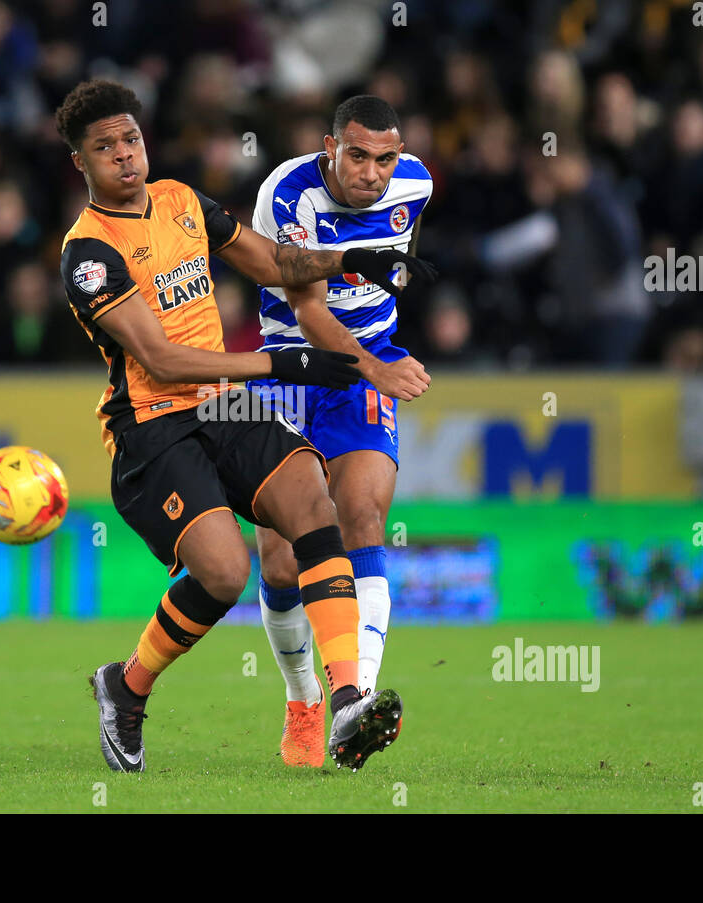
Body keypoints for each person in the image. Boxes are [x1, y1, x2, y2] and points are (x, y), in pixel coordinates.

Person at [51, 80, 436, 773]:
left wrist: (352, 260)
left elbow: (274, 262)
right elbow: (160, 359)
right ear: (81, 162)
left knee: (313, 505)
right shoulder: (87, 255)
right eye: (104, 148)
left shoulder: (181, 201)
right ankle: (127, 684)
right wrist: (280, 359)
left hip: (223, 402)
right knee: (227, 573)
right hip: (153, 426)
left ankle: (347, 696)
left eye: (130, 139)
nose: (124, 157)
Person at [243, 95, 434, 768]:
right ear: (330, 148)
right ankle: (304, 701)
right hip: (289, 369)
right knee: (278, 559)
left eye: (385, 158)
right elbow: (309, 308)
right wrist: (378, 368)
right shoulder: (287, 193)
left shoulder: (418, 184)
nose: (373, 173)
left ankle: (356, 705)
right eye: (358, 156)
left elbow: (389, 273)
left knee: (362, 514)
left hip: (360, 376)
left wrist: (374, 363)